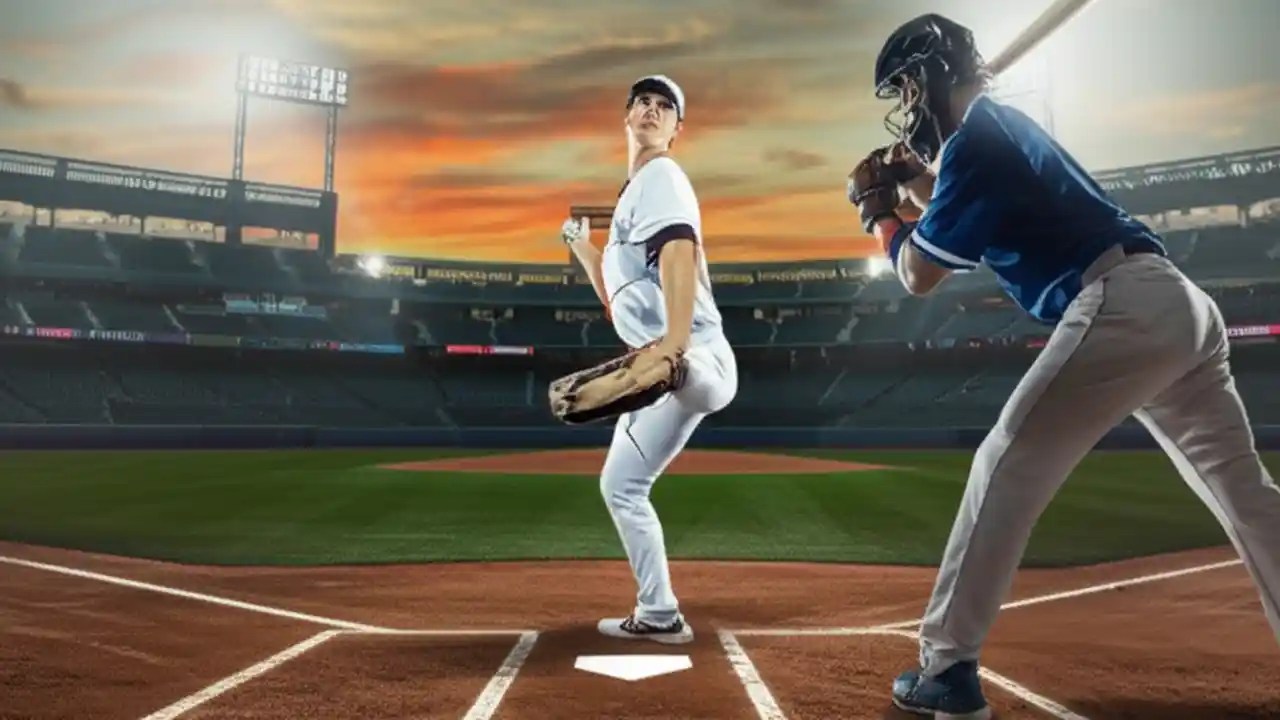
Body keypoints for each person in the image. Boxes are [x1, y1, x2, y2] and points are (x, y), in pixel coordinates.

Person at [847, 13, 1280, 719]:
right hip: (1177, 308)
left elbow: (920, 271)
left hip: (1119, 305)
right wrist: (912, 187)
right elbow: (959, 208)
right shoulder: (995, 131)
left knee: (1006, 462)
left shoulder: (977, 143)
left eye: (904, 88)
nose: (904, 106)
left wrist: (876, 212)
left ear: (926, 76)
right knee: (1246, 496)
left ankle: (947, 667)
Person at [560, 74, 738, 644]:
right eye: (644, 102)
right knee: (621, 486)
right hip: (669, 372)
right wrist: (583, 250)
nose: (653, 110)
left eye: (666, 107)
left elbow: (679, 251)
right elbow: (617, 298)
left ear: (676, 130)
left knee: (679, 381)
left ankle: (677, 368)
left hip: (697, 357)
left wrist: (674, 345)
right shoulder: (631, 196)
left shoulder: (662, 175)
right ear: (628, 115)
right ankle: (658, 611)